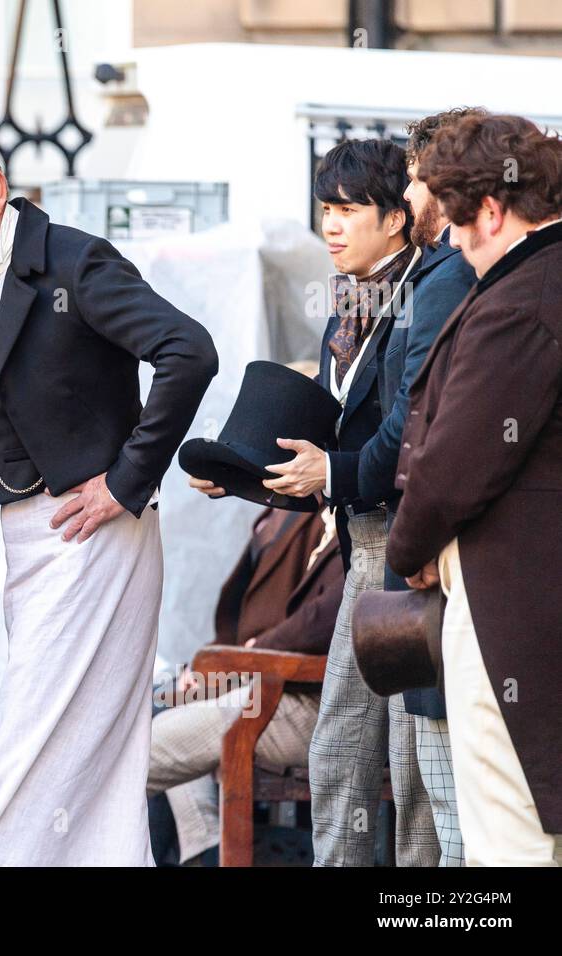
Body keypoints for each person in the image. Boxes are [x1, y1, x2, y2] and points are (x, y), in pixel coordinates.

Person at [0, 129, 218, 865]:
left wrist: (125, 482)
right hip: (26, 533)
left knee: (40, 737)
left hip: (94, 533)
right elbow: (4, 389)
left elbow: (189, 351)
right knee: (82, 748)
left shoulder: (74, 261)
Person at [215, 138, 439, 866]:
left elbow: (406, 434)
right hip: (362, 548)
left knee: (409, 767)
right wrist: (244, 472)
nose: (332, 225)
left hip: (408, 551)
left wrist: (335, 477)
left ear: (398, 218)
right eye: (325, 210)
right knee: (342, 750)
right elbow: (325, 440)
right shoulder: (346, 310)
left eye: (347, 208)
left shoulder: (423, 297)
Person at [389, 112, 562, 866]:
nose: (454, 241)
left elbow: (454, 466)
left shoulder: (520, 302)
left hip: (510, 606)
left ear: (491, 209)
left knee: (510, 838)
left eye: (458, 220)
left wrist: (409, 550)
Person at [367, 109, 483, 866]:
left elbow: (423, 426)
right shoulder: (439, 274)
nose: (407, 195)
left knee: (452, 803)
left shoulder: (447, 279)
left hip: (432, 559)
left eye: (412, 179)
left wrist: (340, 477)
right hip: (430, 553)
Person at [148, 492, 344, 866]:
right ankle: (202, 848)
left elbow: (322, 620)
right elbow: (251, 611)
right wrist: (215, 666)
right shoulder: (299, 510)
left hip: (301, 696)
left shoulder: (362, 519)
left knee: (130, 754)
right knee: (158, 701)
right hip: (263, 677)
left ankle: (197, 850)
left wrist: (245, 655)